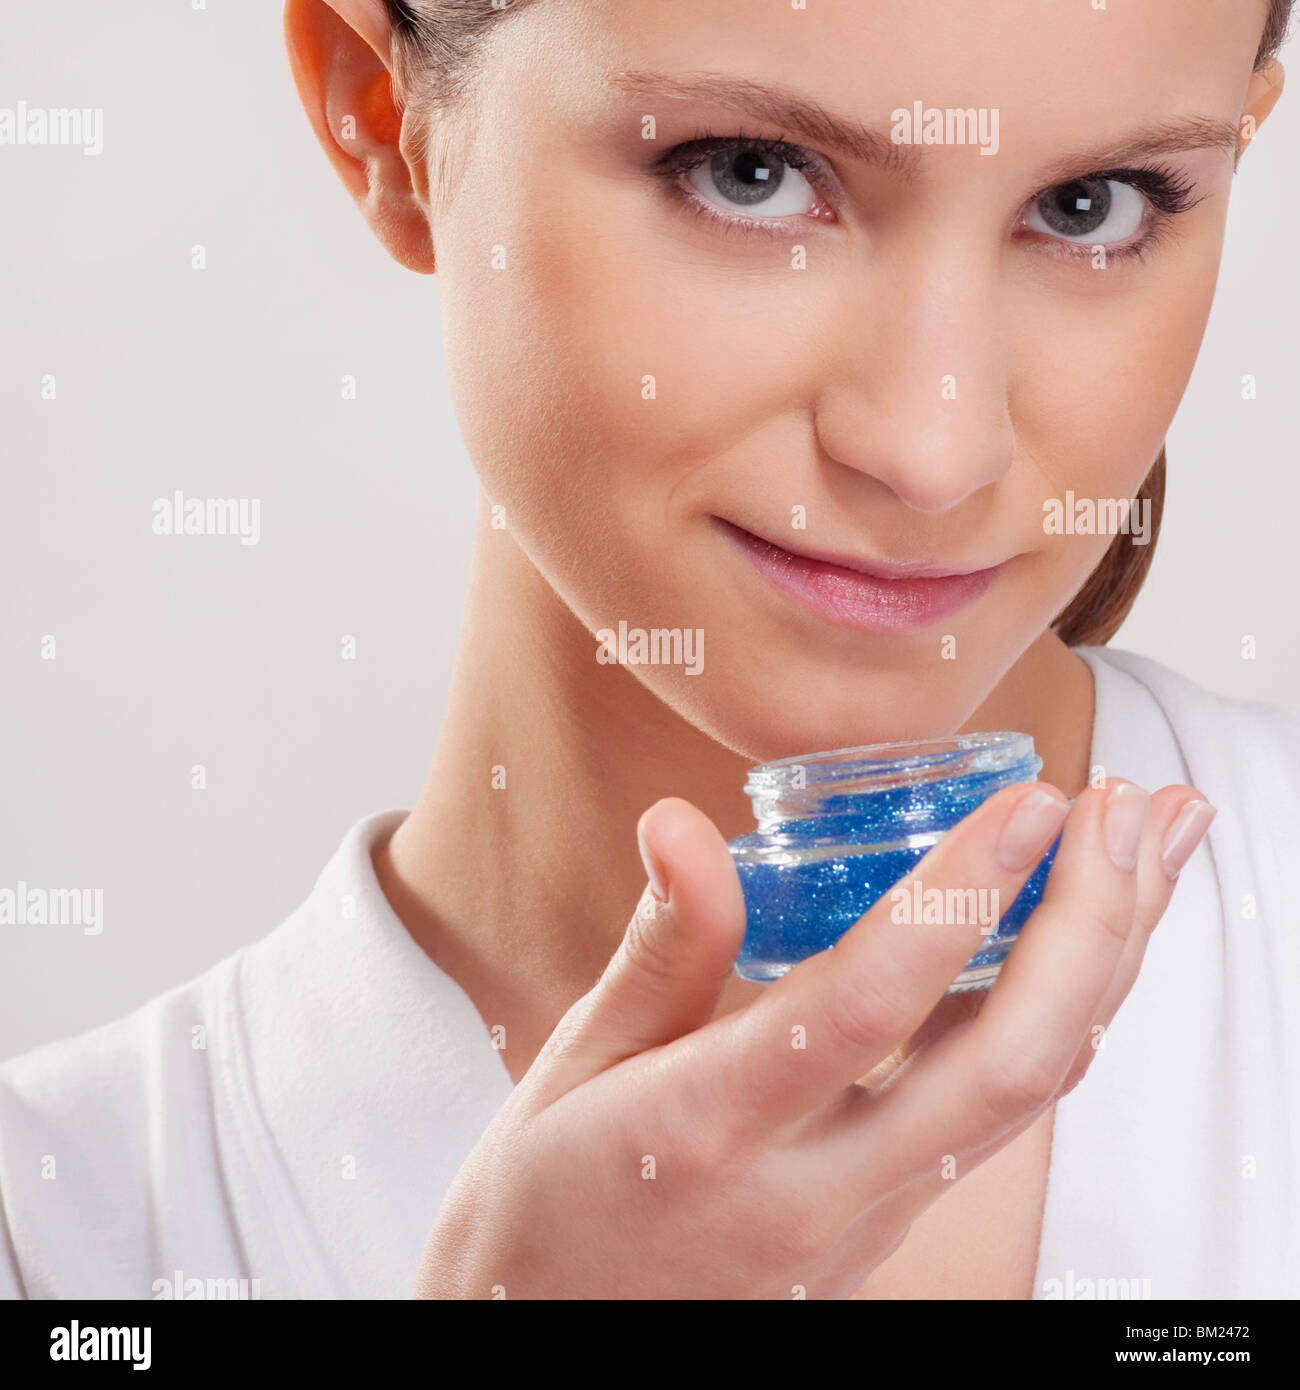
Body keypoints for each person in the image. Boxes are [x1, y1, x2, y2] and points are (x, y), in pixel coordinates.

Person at [2, 0, 1297, 1300]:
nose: (932, 451)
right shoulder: (61, 1234)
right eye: (753, 173)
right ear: (384, 121)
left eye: (1094, 206)